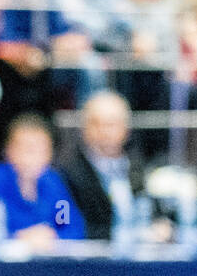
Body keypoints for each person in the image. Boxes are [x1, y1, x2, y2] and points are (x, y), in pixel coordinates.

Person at [0, 114, 86, 249]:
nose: (33, 157)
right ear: (8, 150)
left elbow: (72, 227)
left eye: (41, 150)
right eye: (27, 149)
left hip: (47, 257)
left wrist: (53, 236)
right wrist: (19, 237)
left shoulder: (52, 181)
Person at [57, 91, 151, 241]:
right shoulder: (66, 172)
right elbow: (63, 224)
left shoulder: (136, 165)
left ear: (126, 129)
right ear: (83, 129)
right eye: (96, 123)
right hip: (92, 253)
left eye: (111, 124)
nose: (104, 131)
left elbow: (148, 210)